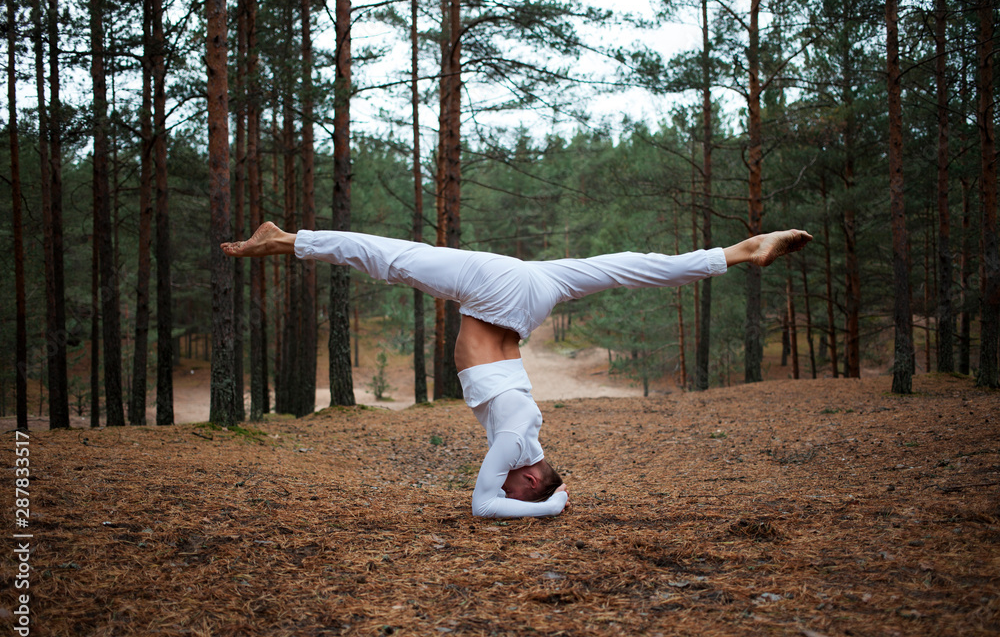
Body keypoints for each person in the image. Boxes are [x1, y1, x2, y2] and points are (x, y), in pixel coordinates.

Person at [222, 222, 812, 518]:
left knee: (627, 267)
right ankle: (284, 240)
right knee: (392, 258)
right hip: (502, 291)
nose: (505, 486)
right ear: (528, 480)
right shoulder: (514, 435)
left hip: (530, 292)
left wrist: (558, 492)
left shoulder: (528, 427)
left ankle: (739, 251)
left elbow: (525, 480)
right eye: (520, 492)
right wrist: (550, 508)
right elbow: (483, 505)